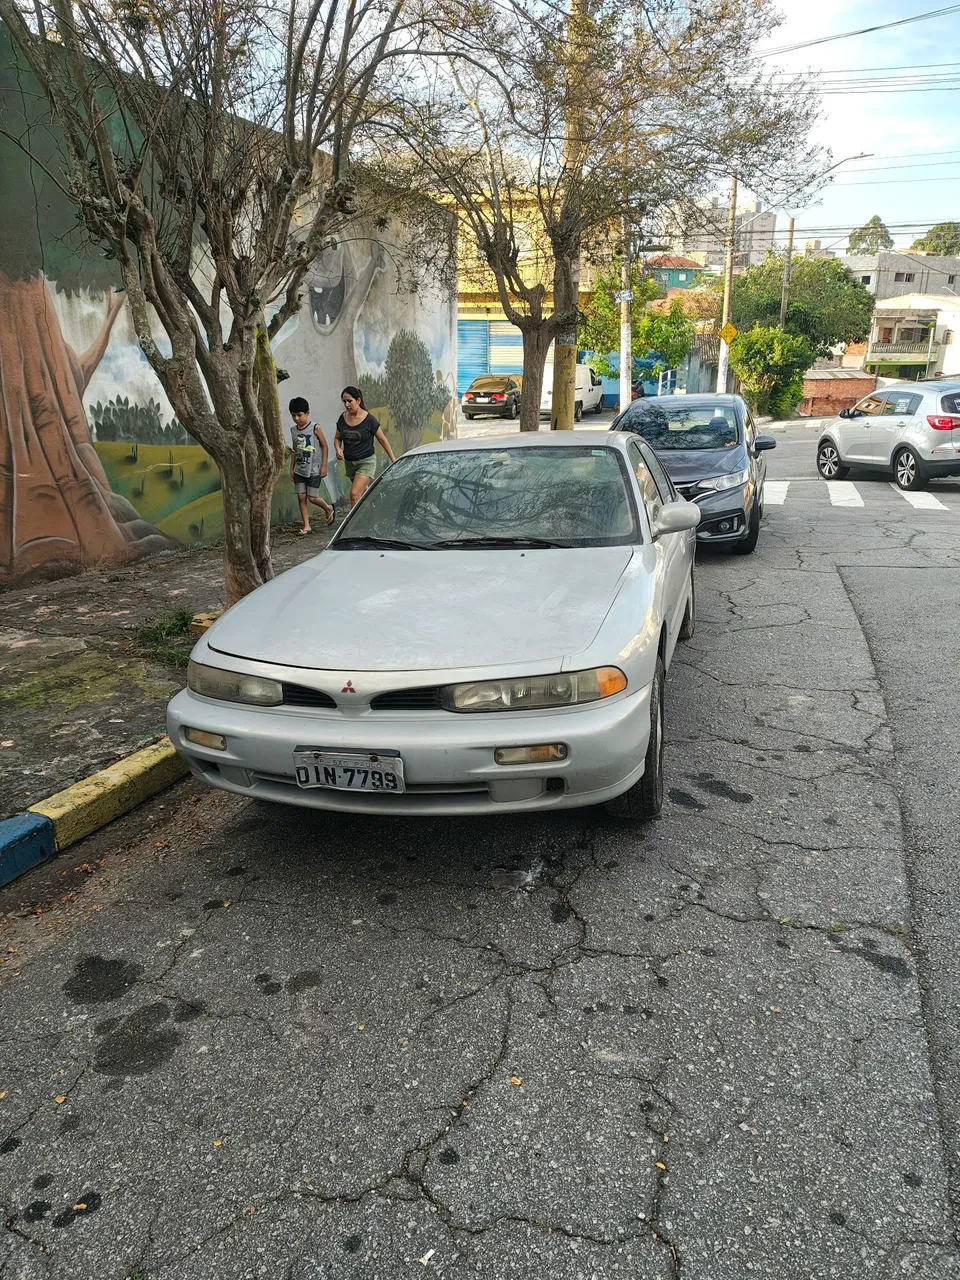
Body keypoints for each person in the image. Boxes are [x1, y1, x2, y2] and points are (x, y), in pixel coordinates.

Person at [335, 386, 396, 507]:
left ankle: (353, 525)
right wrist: (337, 448)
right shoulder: (342, 418)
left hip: (366, 462)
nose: (346, 404)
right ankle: (370, 513)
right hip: (350, 463)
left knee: (354, 494)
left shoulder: (369, 420)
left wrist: (394, 460)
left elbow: (383, 440)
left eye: (349, 401)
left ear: (358, 400)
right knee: (361, 494)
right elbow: (337, 438)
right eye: (344, 401)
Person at [289, 396, 336, 535]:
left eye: (299, 415)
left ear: (307, 413)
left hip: (314, 469)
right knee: (301, 497)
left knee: (312, 497)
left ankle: (328, 508)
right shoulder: (293, 430)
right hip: (299, 469)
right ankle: (306, 525)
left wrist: (324, 466)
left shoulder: (315, 428)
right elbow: (294, 450)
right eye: (293, 415)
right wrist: (291, 469)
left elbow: (325, 446)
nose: (297, 418)